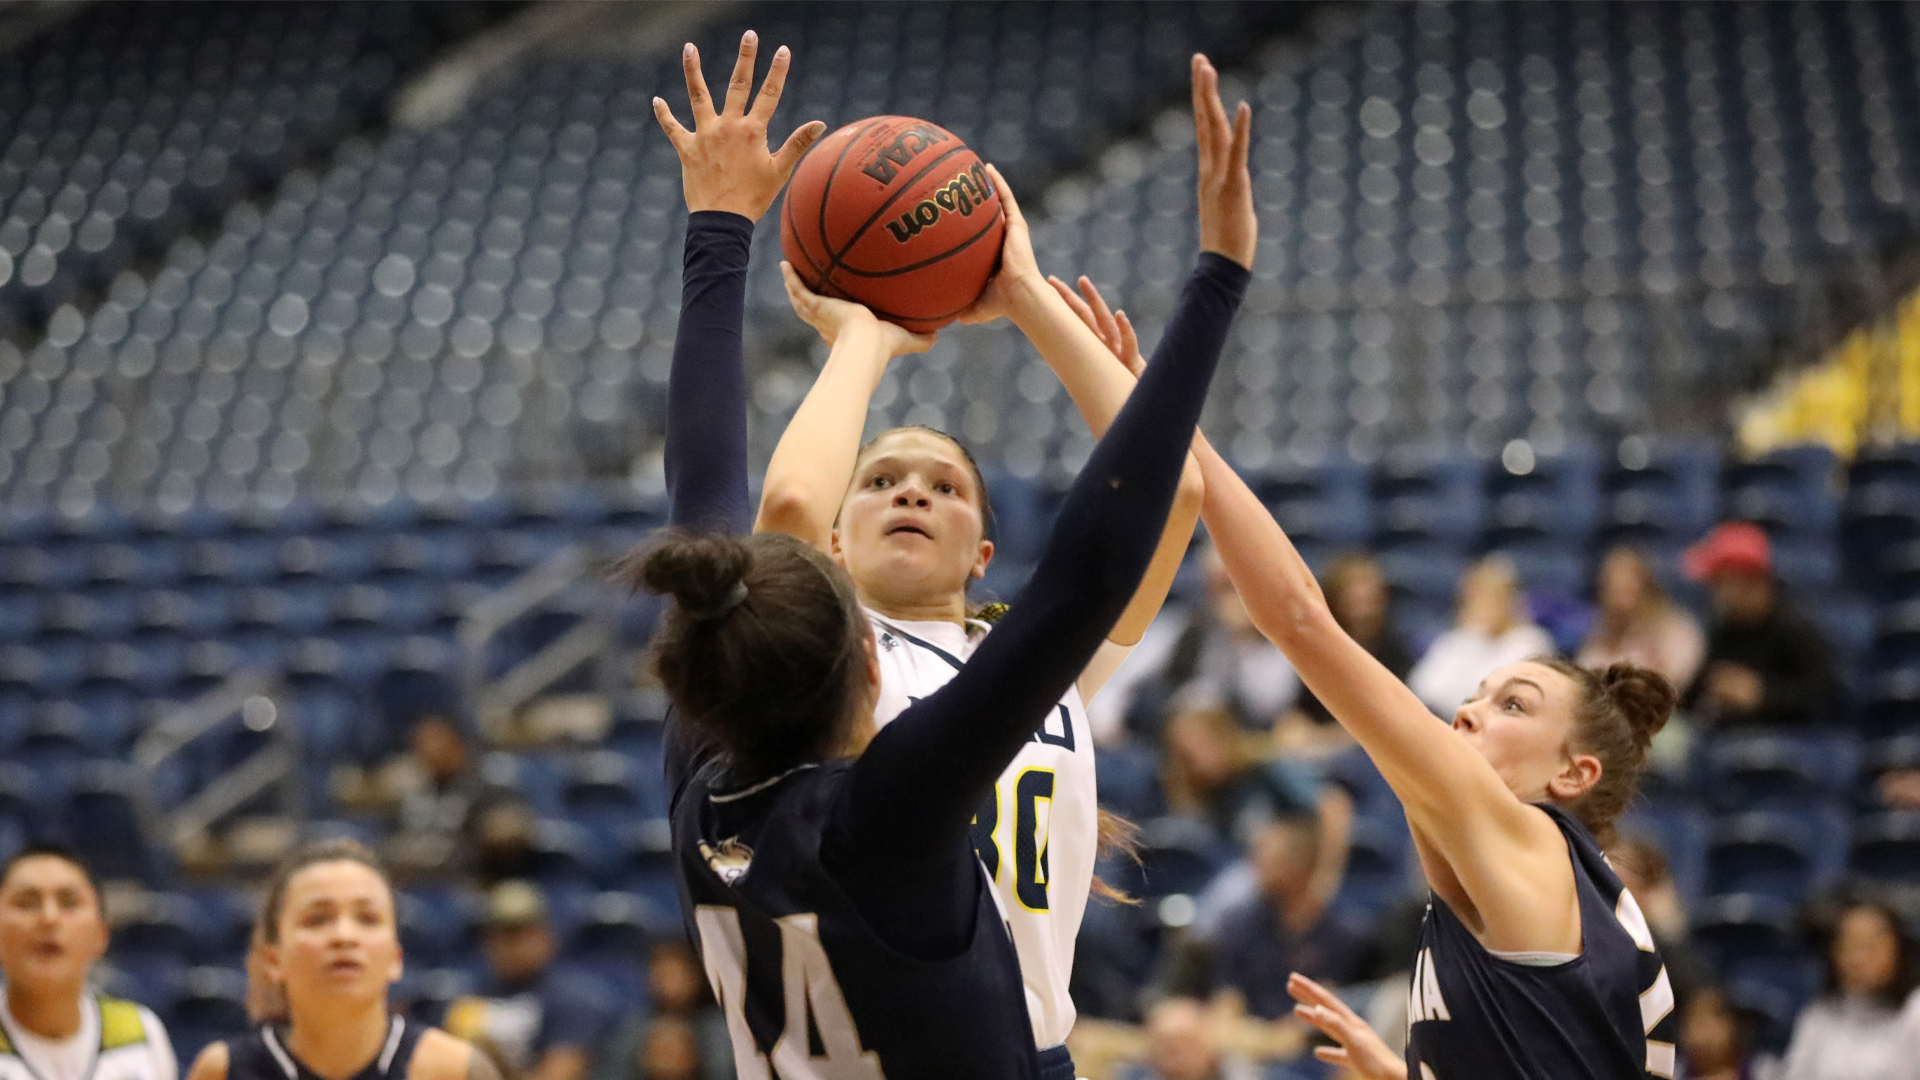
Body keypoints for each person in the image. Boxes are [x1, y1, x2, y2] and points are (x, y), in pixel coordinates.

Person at [640, 30, 1244, 1078]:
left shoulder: (1028, 666)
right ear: (831, 548)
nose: (913, 490)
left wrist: (1025, 293)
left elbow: (1174, 494)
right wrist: (873, 333)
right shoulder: (803, 658)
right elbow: (786, 504)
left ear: (984, 552)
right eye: (880, 479)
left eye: (945, 486)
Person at [1055, 242, 1678, 1079]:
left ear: (1572, 774)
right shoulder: (1563, 893)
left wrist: (1166, 415)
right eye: (1480, 693)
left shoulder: (1523, 834)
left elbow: (1301, 621)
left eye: (1513, 705)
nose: (1468, 709)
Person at [187, 840, 498, 1080]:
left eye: (368, 918)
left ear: (395, 957)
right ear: (273, 960)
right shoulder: (222, 1071)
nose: (344, 936)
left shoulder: (454, 1070)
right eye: (317, 919)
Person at [1158, 812, 1371, 1021]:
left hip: (1312, 1038)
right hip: (1246, 1036)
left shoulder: (1347, 936)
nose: (1257, 869)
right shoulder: (1239, 925)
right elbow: (1227, 1000)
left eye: (1269, 859)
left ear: (1302, 865)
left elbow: (1341, 1007)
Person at [0, 846, 176, 1080]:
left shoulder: (142, 1032)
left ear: (101, 934)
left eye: (69, 903)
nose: (49, 918)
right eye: (27, 903)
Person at [442, 883, 614, 1080]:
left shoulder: (573, 997)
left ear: (546, 935)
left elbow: (559, 1074)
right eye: (495, 933)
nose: (505, 944)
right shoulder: (472, 996)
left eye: (516, 933)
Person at [1681, 522, 1840, 728]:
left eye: (1720, 582)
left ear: (1750, 581)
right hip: (1734, 739)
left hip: (1791, 739)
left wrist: (1763, 695)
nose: (1714, 593)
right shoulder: (1723, 628)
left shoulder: (1793, 626)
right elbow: (1691, 698)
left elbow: (1825, 695)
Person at [1278, 551, 1411, 755]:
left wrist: (1323, 738)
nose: (1361, 596)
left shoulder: (1395, 651)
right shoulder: (1320, 649)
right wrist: (1293, 727)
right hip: (1318, 750)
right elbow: (1301, 708)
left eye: (1367, 589)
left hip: (1370, 752)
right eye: (1352, 589)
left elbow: (1390, 722)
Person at [1779, 900, 1918, 1080]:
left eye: (1872, 945)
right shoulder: (1820, 1015)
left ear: (1898, 950)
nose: (1861, 958)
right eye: (1852, 945)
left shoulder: (1915, 1012)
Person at [1406, 556, 1557, 717]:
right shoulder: (1458, 639)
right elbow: (1425, 689)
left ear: (1511, 600)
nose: (1484, 604)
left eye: (1494, 596)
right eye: (1477, 597)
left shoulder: (1531, 641)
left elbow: (1500, 696)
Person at [589, 943, 728, 1080]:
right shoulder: (632, 1028)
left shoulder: (720, 1031)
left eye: (676, 1050)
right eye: (662, 1049)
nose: (669, 1059)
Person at [1577, 547, 1706, 693]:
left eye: (1629, 580)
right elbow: (1587, 678)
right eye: (1614, 582)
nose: (1621, 587)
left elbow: (1679, 678)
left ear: (1646, 583)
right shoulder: (1599, 633)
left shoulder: (1675, 629)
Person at [1123, 999, 1259, 1080]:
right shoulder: (1135, 1075)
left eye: (1183, 1046)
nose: (1173, 1059)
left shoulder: (1240, 1074)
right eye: (1164, 1047)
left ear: (1207, 1049)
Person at [1680, 985, 1765, 1080]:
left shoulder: (1765, 1072)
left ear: (1732, 1024)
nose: (1704, 1034)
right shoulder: (1672, 1072)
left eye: (1712, 1020)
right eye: (1697, 1021)